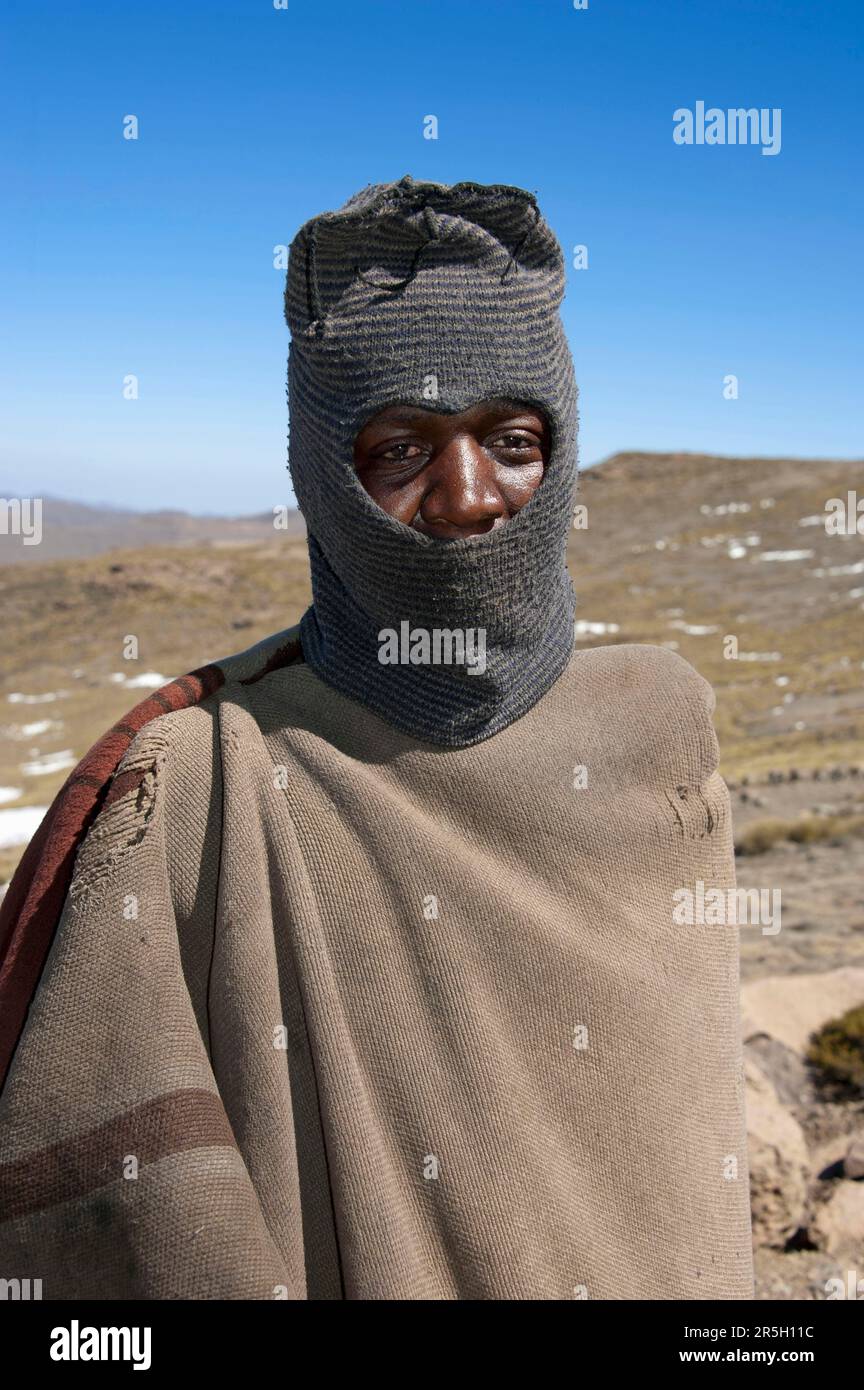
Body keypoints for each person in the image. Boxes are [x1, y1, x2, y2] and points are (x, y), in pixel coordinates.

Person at [0, 175, 754, 1300]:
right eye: (402, 448)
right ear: (322, 472)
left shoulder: (660, 731)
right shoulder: (207, 783)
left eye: (511, 437)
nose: (468, 496)